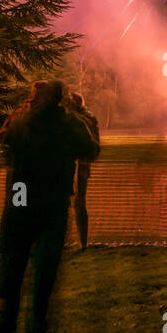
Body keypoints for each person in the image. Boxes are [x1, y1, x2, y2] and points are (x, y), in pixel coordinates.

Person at [0, 79, 98, 333]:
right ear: (61, 99)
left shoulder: (18, 121)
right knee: (44, 271)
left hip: (19, 202)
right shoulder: (70, 124)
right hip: (53, 202)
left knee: (11, 270)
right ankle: (35, 330)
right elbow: (92, 151)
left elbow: (3, 141)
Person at [66, 91, 101, 251]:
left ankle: (75, 240)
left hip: (73, 163)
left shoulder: (74, 119)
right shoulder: (89, 117)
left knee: (72, 201)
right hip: (83, 163)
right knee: (79, 201)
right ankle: (82, 242)